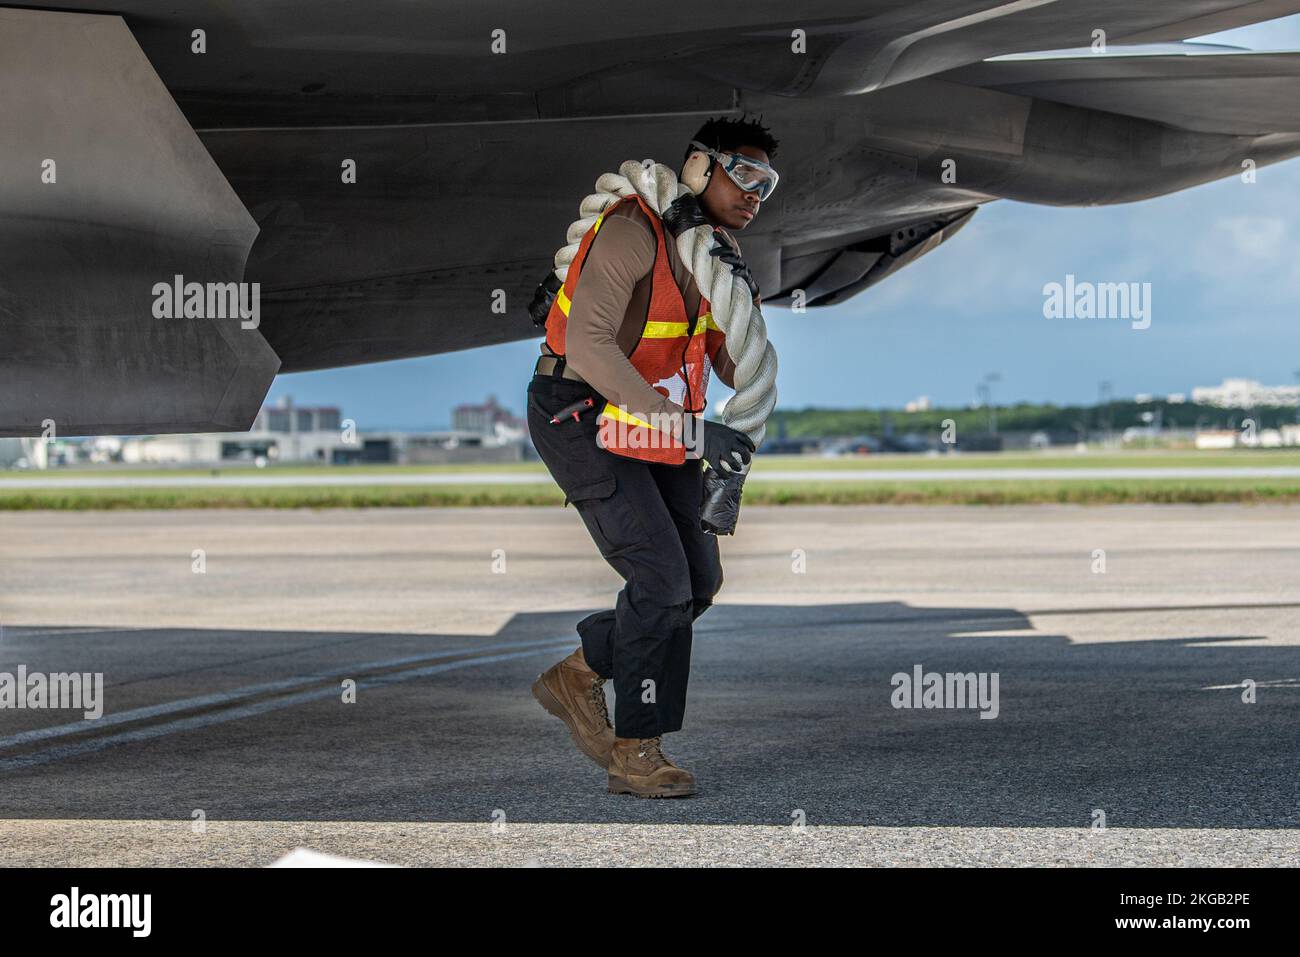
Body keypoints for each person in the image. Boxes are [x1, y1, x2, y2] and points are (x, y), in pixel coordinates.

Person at [527, 114, 780, 798]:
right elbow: (590, 348)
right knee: (659, 579)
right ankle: (636, 750)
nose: (756, 191)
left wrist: (745, 323)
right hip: (578, 411)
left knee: (696, 582)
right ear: (699, 168)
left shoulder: (715, 257)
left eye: (767, 182)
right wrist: (698, 435)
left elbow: (727, 363)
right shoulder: (633, 233)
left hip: (653, 425)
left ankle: (579, 671)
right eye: (743, 173)